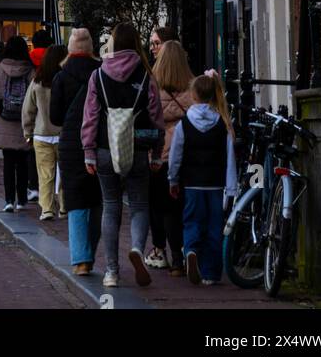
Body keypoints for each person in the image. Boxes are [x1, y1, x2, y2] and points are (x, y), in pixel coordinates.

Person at [82, 21, 165, 289]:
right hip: (139, 149)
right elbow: (156, 117)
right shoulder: (146, 75)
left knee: (110, 206)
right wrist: (156, 152)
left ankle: (111, 271)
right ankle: (138, 250)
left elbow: (91, 116)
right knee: (140, 205)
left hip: (106, 149)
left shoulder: (98, 75)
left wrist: (89, 152)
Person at [168, 73, 238, 286]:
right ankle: (211, 273)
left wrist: (172, 179)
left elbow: (175, 154)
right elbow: (230, 159)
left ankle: (190, 250)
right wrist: (232, 189)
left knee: (192, 222)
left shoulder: (184, 124)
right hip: (216, 185)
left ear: (193, 95)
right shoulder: (222, 124)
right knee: (214, 228)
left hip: (191, 183)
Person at [50, 27, 102, 275]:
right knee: (98, 199)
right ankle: (91, 248)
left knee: (75, 200)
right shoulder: (101, 73)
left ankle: (81, 258)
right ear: (91, 47)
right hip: (99, 141)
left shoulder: (61, 76)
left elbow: (56, 116)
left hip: (71, 143)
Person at [148, 39, 194, 273]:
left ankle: (168, 254)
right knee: (185, 206)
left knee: (163, 208)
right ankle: (187, 250)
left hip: (161, 155)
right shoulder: (194, 88)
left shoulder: (152, 87)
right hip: (188, 155)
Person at [0, 34, 34, 212]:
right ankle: (22, 200)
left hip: (5, 119)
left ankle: (8, 200)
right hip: (24, 122)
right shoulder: (30, 70)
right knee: (23, 162)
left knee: (8, 163)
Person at [23, 43, 68, 220]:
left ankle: (47, 208)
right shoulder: (65, 79)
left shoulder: (37, 81)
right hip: (63, 134)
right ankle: (64, 206)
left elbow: (28, 109)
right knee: (64, 173)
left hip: (42, 133)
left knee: (45, 174)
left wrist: (28, 132)